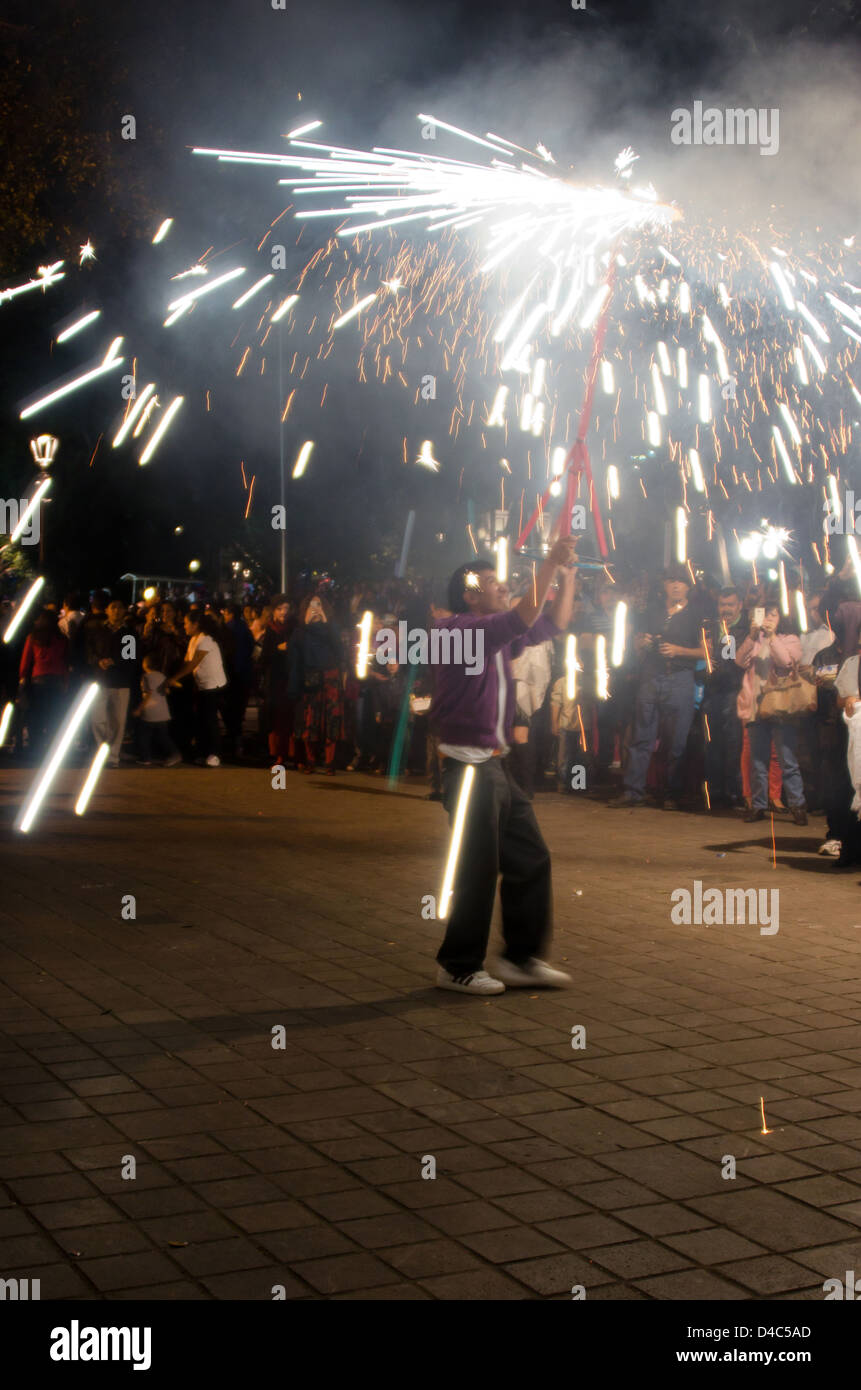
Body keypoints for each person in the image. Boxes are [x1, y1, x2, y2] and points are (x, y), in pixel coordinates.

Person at [428, 537, 576, 996]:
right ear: (469, 593)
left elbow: (552, 621)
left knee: (529, 856)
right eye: (491, 582)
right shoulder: (458, 631)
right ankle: (457, 965)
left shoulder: (493, 635)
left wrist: (567, 576)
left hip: (496, 765)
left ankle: (521, 958)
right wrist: (550, 562)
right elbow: (523, 616)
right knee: (477, 866)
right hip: (467, 767)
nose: (502, 585)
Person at [609, 565, 704, 810]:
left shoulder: (696, 615)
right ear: (664, 585)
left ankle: (671, 793)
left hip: (681, 676)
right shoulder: (652, 611)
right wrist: (642, 642)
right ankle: (633, 791)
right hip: (651, 676)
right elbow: (636, 641)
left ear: (688, 586)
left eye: (680, 582)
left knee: (677, 741)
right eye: (671, 580)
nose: (675, 585)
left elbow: (708, 650)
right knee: (642, 735)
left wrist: (678, 651)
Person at [735, 601, 808, 824]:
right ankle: (758, 805)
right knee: (758, 760)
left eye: (773, 615)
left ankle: (797, 804)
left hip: (780, 706)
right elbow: (738, 660)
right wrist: (751, 636)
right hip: (755, 706)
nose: (768, 620)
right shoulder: (754, 640)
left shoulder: (790, 640)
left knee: (787, 759)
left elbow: (785, 661)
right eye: (765, 615)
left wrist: (773, 637)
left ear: (782, 618)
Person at [702, 587, 747, 809]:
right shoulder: (712, 626)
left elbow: (732, 663)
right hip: (713, 690)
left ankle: (733, 792)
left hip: (734, 690)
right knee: (714, 742)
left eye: (730, 604)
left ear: (739, 605)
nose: (726, 609)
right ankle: (716, 792)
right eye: (722, 604)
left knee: (733, 743)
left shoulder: (744, 628)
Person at [169, 610, 227, 766]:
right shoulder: (194, 639)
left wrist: (173, 679)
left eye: (187, 623)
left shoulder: (206, 640)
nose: (185, 626)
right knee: (201, 719)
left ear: (196, 625)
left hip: (213, 685)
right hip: (202, 685)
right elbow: (187, 661)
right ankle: (203, 751)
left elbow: (192, 664)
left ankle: (215, 753)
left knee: (210, 720)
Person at [86, 597, 138, 767]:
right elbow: (89, 652)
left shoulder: (128, 633)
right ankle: (102, 750)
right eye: (113, 607)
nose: (116, 611)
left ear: (124, 611)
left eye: (119, 607)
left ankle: (113, 756)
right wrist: (97, 661)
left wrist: (114, 661)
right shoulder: (98, 631)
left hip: (120, 682)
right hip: (100, 681)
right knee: (97, 719)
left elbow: (130, 657)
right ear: (106, 610)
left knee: (117, 721)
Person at [18, 608, 69, 759]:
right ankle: (52, 749)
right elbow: (65, 662)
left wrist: (22, 680)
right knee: (53, 716)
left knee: (36, 716)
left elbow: (26, 662)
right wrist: (66, 681)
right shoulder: (62, 639)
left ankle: (35, 748)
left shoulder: (33, 638)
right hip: (57, 681)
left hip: (38, 681)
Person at [133, 655, 182, 766]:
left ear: (145, 665)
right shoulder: (162, 676)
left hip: (150, 712)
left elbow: (148, 694)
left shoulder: (146, 677)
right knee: (163, 736)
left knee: (143, 735)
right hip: (163, 712)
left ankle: (145, 758)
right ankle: (174, 753)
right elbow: (167, 691)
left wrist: (139, 709)